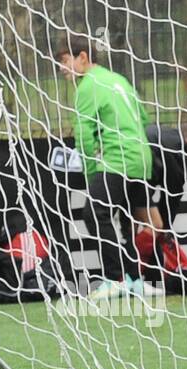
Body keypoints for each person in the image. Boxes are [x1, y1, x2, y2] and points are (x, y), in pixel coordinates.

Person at [58, 33, 158, 301]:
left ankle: (115, 278)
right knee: (127, 219)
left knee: (94, 211)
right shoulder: (118, 80)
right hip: (141, 159)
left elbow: (83, 135)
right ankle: (136, 280)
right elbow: (144, 116)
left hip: (117, 158)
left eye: (65, 61)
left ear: (83, 58)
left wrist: (92, 173)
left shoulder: (87, 86)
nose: (61, 68)